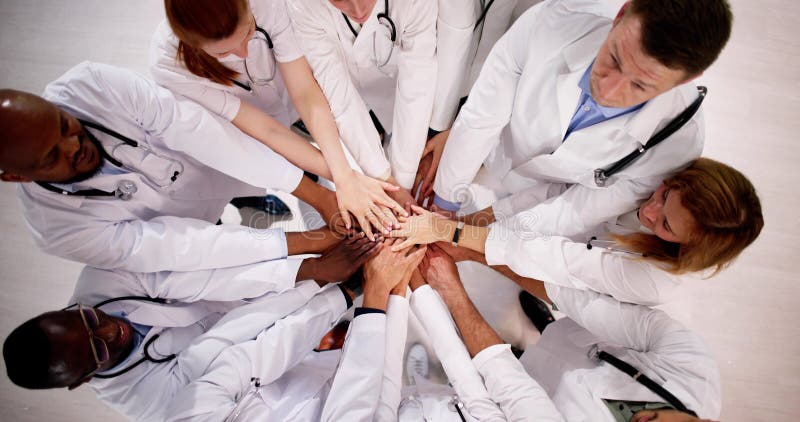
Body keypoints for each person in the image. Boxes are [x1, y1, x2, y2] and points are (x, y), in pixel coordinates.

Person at [0, 62, 350, 272]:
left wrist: (318, 195)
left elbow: (207, 136)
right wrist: (311, 241)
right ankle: (261, 208)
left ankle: (275, 193)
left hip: (214, 155)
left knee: (260, 174)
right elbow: (179, 248)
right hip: (193, 225)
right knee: (237, 225)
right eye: (52, 156)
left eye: (64, 125)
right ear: (15, 176)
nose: (74, 145)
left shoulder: (92, 85)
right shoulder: (58, 230)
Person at [429, 0, 733, 240]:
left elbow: (575, 210)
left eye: (640, 86)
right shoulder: (553, 22)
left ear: (687, 80)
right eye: (614, 58)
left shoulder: (676, 145)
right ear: (622, 13)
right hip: (498, 150)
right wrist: (444, 205)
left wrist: (477, 232)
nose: (608, 89)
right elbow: (483, 117)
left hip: (543, 202)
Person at [2, 236, 378, 421]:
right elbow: (233, 350)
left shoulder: (103, 277)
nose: (109, 331)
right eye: (98, 351)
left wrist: (309, 268)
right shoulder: (143, 401)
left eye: (87, 319)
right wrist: (333, 292)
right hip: (270, 363)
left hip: (254, 285)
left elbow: (211, 276)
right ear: (82, 380)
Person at [152, 0, 408, 240]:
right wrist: (347, 178)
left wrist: (345, 176)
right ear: (192, 45)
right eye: (224, 53)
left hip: (293, 102)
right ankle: (251, 200)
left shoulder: (268, 4)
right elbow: (265, 130)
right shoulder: (168, 64)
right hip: (246, 128)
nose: (242, 53)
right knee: (268, 173)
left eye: (249, 32)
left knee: (325, 154)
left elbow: (306, 95)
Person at [392, 158, 764, 306]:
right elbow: (559, 196)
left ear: (686, 246)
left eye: (665, 224)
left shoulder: (653, 281)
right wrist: (466, 226)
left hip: (579, 288)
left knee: (546, 273)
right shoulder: (649, 174)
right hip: (562, 235)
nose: (648, 211)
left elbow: (558, 263)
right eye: (664, 195)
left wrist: (459, 239)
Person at [413, 245, 722, 421]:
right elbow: (584, 304)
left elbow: (513, 388)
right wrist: (481, 253)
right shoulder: (693, 365)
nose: (639, 420)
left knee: (500, 372)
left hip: (535, 397)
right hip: (577, 335)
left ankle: (522, 349)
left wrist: (447, 290)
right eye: (653, 419)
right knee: (572, 316)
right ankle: (546, 324)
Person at [163, 239, 426, 421]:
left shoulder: (188, 414)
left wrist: (349, 291)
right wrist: (387, 295)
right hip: (366, 390)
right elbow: (360, 406)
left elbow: (250, 361)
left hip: (303, 370)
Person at [286, 0, 438, 208]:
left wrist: (403, 182)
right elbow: (339, 96)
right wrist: (385, 179)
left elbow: (417, 87)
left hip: (403, 85)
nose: (358, 11)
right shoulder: (303, 5)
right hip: (355, 87)